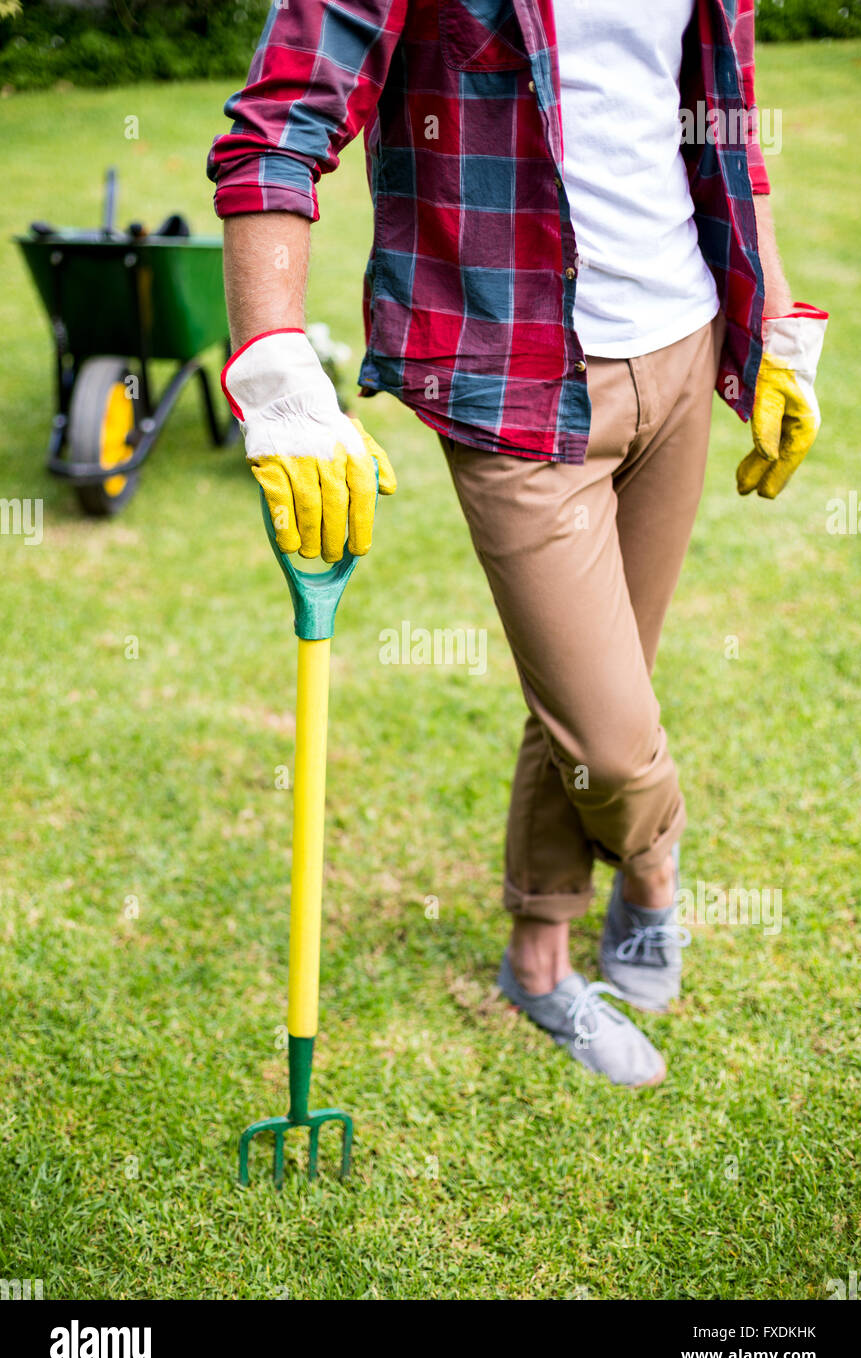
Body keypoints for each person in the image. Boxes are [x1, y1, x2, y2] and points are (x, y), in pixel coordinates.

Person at [208, 0, 826, 1087]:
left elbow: (721, 119)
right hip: (511, 373)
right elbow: (279, 129)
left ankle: (537, 956)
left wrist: (774, 321)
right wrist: (270, 364)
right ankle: (650, 872)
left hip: (683, 346)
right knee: (612, 736)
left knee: (592, 687)